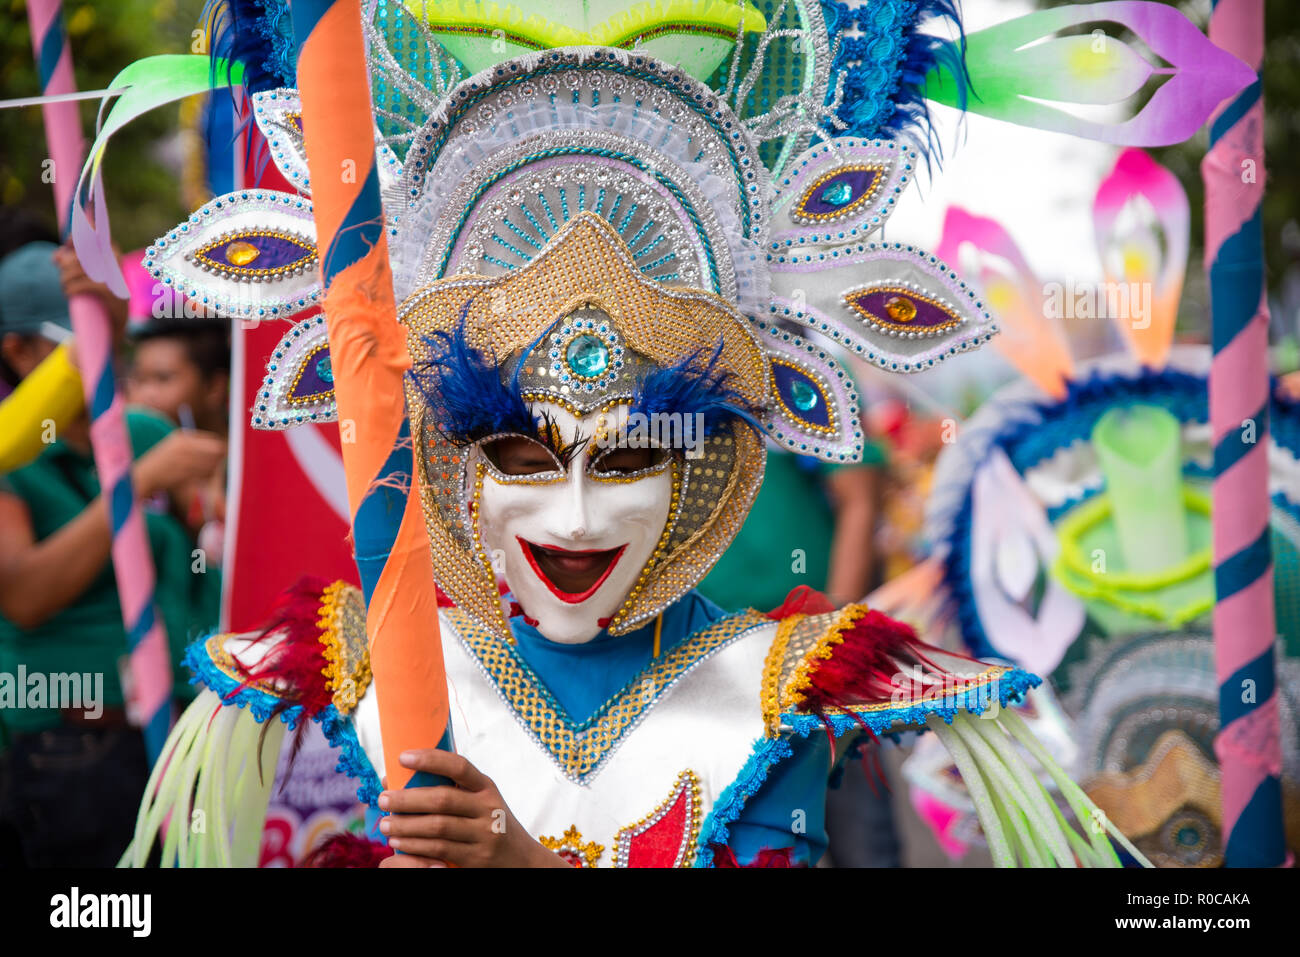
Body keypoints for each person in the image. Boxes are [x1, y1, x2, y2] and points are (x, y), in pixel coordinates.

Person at [114, 7, 1130, 870]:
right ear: (459, 464)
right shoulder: (348, 672)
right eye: (522, 458)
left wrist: (519, 861)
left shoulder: (787, 694)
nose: (577, 515)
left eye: (629, 459)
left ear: (698, 468)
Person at [0, 241, 226, 867]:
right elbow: (23, 594)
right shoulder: (12, 460)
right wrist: (138, 484)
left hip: (179, 733)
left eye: (106, 330)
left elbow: (199, 557)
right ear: (19, 352)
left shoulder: (148, 433)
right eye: (72, 343)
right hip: (70, 752)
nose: (98, 352)